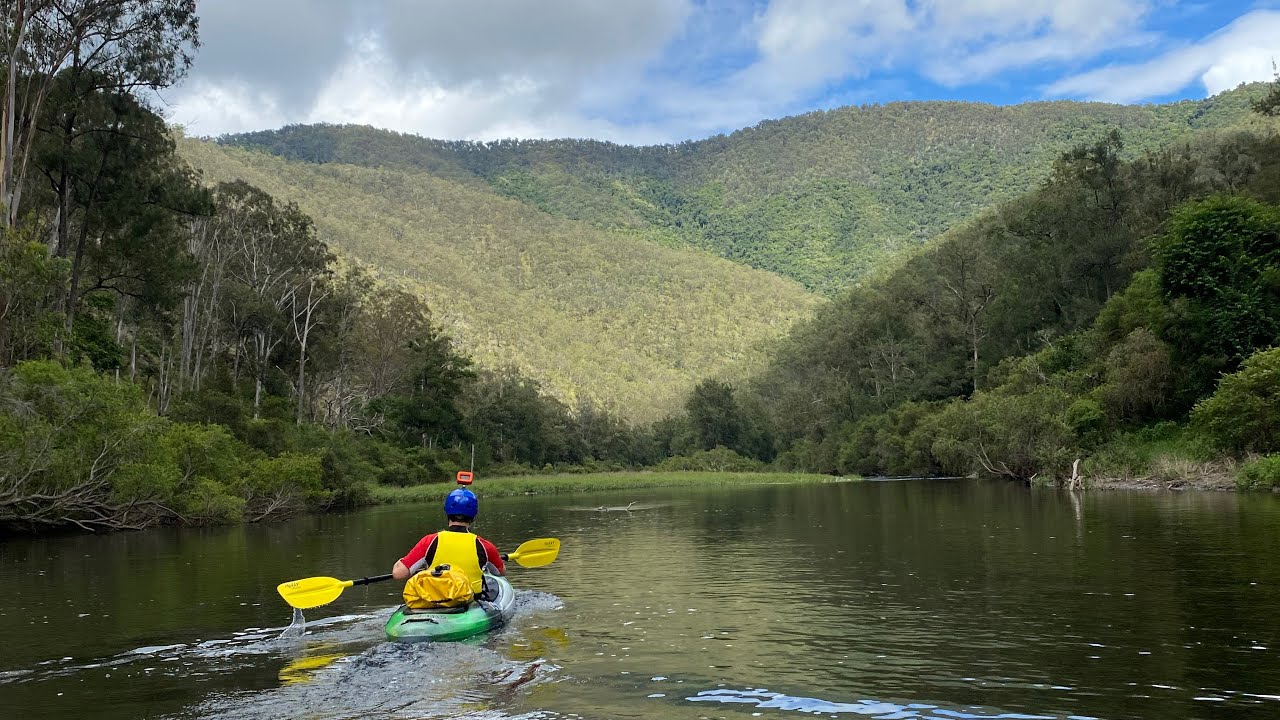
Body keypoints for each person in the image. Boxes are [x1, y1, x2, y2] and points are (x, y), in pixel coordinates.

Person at [392, 488, 505, 601]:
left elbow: (398, 574)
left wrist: (403, 561)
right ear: (474, 516)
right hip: (470, 600)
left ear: (447, 513)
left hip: (432, 600)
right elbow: (500, 572)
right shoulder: (484, 546)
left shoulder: (429, 541)